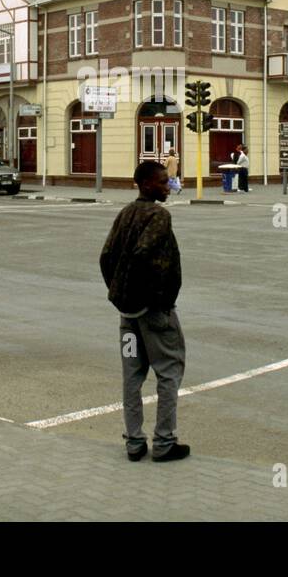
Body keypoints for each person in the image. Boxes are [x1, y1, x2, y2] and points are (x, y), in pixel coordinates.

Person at [99, 160, 189, 463]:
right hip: (154, 312)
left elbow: (106, 256)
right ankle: (164, 442)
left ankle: (134, 442)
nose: (168, 186)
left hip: (127, 312)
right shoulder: (158, 215)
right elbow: (143, 256)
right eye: (164, 182)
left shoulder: (126, 213)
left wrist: (120, 294)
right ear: (147, 184)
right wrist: (157, 300)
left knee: (132, 376)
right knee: (169, 372)